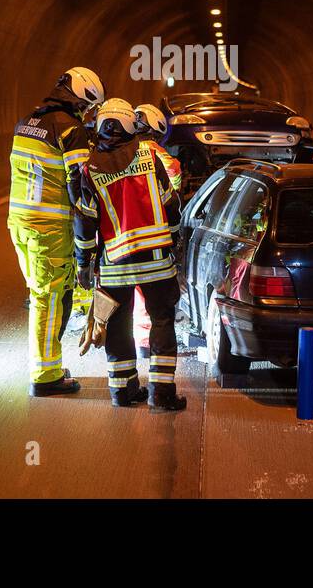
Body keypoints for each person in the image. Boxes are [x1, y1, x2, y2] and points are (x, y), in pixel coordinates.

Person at [73, 99, 187, 411]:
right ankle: (162, 394)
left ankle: (122, 392)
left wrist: (84, 264)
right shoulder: (150, 155)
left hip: (114, 265)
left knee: (118, 323)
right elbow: (170, 203)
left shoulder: (90, 168)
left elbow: (85, 222)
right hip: (156, 261)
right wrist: (174, 236)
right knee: (162, 320)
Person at [7, 67, 103, 397]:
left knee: (43, 293)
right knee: (47, 298)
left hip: (20, 222)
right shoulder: (70, 130)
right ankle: (46, 375)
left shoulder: (26, 122)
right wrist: (89, 230)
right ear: (82, 99)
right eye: (89, 108)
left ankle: (47, 363)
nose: (88, 115)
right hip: (49, 227)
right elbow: (79, 187)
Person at [130, 104, 183, 357]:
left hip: (121, 232)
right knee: (153, 293)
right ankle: (147, 344)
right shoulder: (157, 154)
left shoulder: (119, 149)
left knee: (132, 290)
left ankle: (136, 341)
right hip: (154, 232)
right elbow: (173, 188)